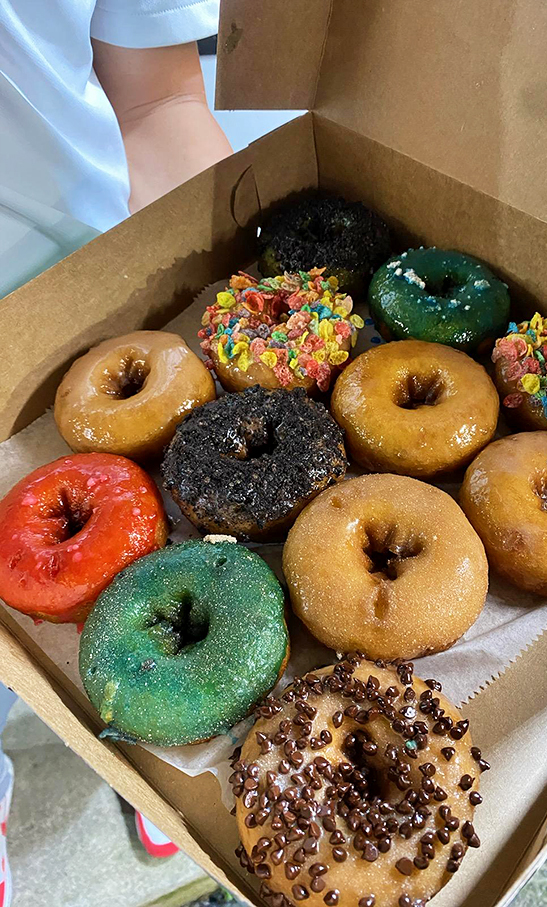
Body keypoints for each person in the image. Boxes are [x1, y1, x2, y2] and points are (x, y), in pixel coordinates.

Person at [0, 2, 233, 902]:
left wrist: (238, 304)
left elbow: (156, 99)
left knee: (158, 596)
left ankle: (154, 732)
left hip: (117, 315)